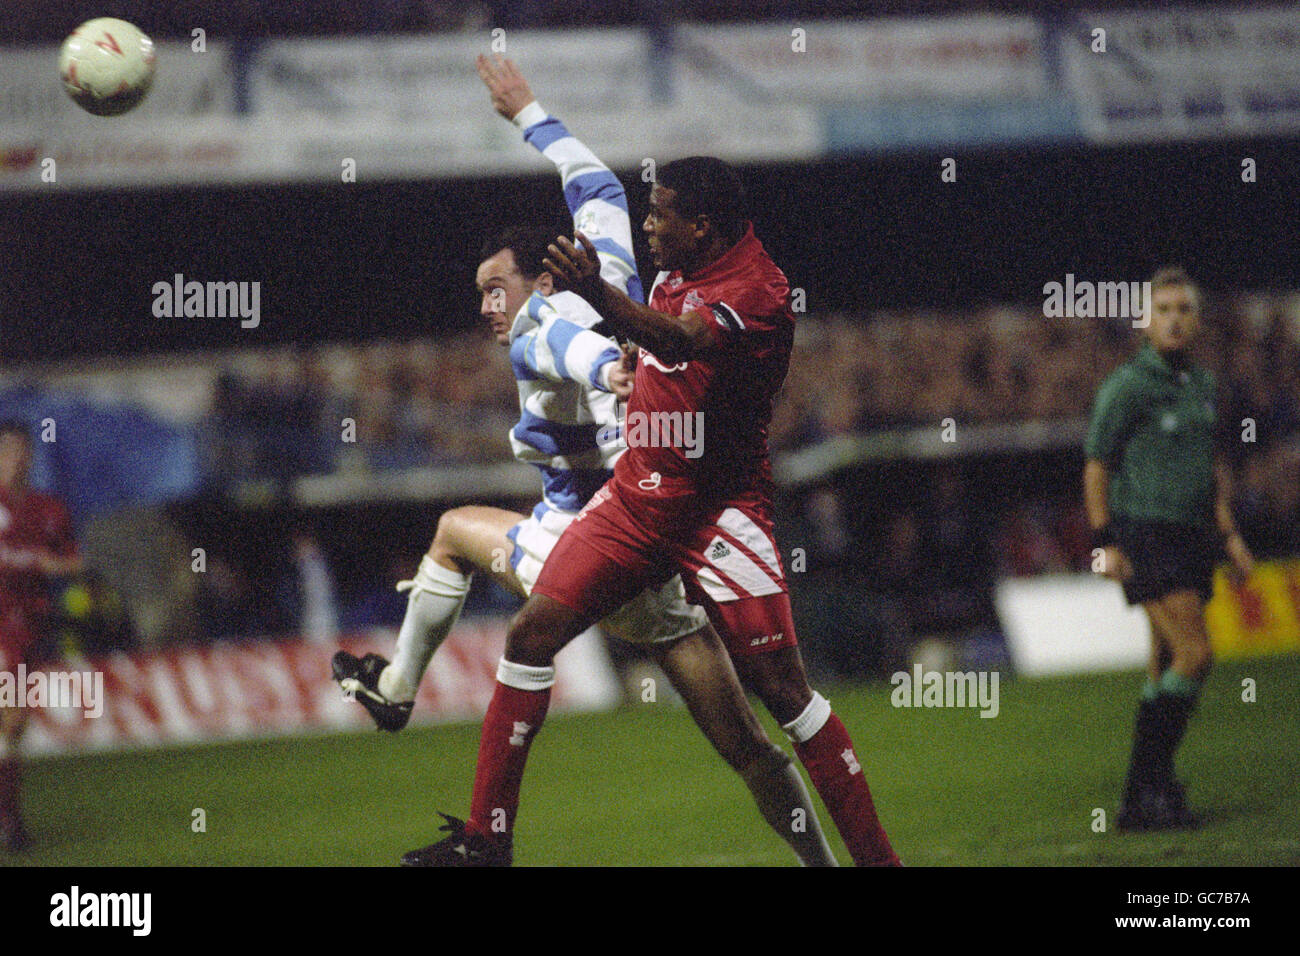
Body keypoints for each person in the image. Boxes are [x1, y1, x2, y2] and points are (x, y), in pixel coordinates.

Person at [333, 55, 836, 867]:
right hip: (657, 548)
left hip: (592, 541)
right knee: (747, 746)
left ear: (536, 280)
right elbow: (595, 181)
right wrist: (528, 111)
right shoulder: (612, 263)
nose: (488, 307)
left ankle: (399, 700)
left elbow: (574, 347)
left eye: (495, 288)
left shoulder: (539, 327)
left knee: (455, 534)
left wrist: (611, 372)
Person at [404, 141, 900, 866]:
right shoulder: (681, 261)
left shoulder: (759, 291)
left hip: (719, 512)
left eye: (660, 215)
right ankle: (487, 842)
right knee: (530, 637)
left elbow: (680, 337)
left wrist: (603, 302)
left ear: (702, 226)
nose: (648, 227)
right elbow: (646, 316)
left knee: (784, 692)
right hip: (637, 497)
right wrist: (531, 119)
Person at [1084, 267, 1255, 831]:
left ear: (1197, 320)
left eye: (1184, 309)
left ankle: (1147, 797)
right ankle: (1146, 787)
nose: (1175, 319)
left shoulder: (1203, 385)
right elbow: (1096, 466)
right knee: (1196, 654)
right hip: (1146, 536)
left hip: (1193, 538)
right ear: (1145, 321)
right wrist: (1104, 542)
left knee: (1163, 664)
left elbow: (1209, 472)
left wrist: (1229, 536)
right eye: (1164, 310)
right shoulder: (1127, 386)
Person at [0, 420, 83, 852]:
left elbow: (73, 560)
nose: (17, 460)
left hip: (31, 624)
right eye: (8, 451)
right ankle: (9, 822)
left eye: (23, 451)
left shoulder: (49, 508)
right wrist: (33, 561)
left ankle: (9, 816)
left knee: (15, 730)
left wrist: (57, 567)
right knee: (11, 716)